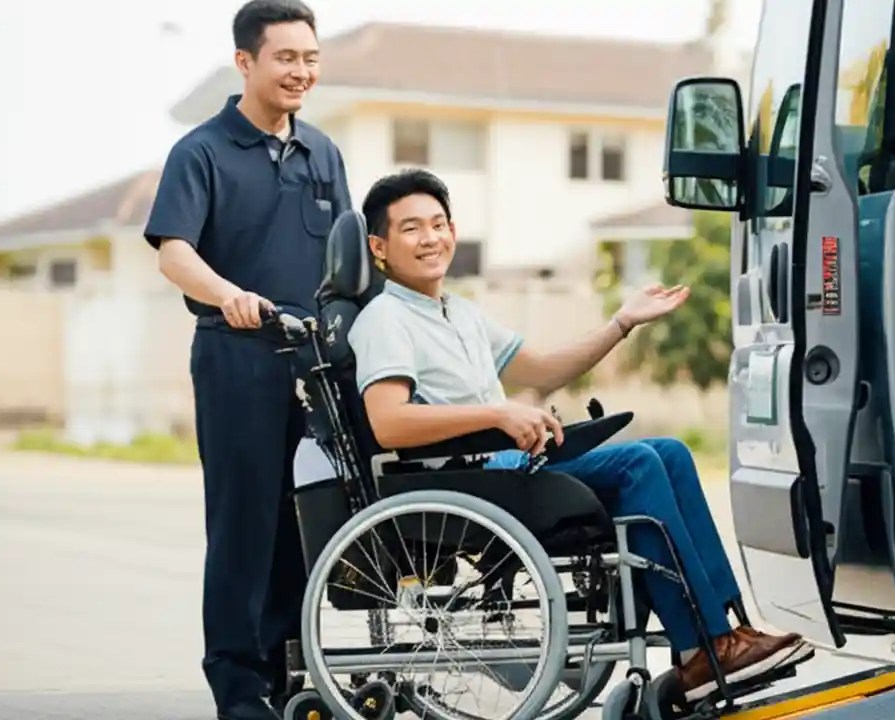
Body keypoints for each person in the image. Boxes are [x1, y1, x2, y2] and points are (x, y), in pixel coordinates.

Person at [346, 169, 813, 702]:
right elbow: (389, 421)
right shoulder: (386, 319)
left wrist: (622, 323)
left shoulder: (458, 313)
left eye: (438, 223)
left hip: (500, 468)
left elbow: (541, 371)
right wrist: (496, 414)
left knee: (671, 453)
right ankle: (700, 648)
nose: (430, 238)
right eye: (411, 229)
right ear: (379, 247)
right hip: (469, 483)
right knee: (638, 465)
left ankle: (725, 630)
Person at [142, 2, 352, 718]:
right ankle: (239, 687)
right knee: (244, 523)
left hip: (315, 366)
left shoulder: (324, 152)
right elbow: (175, 251)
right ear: (245, 63)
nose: (301, 71)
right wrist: (230, 295)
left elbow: (345, 266)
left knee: (308, 523)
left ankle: (293, 671)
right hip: (237, 358)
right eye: (285, 58)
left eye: (310, 58)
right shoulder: (200, 151)